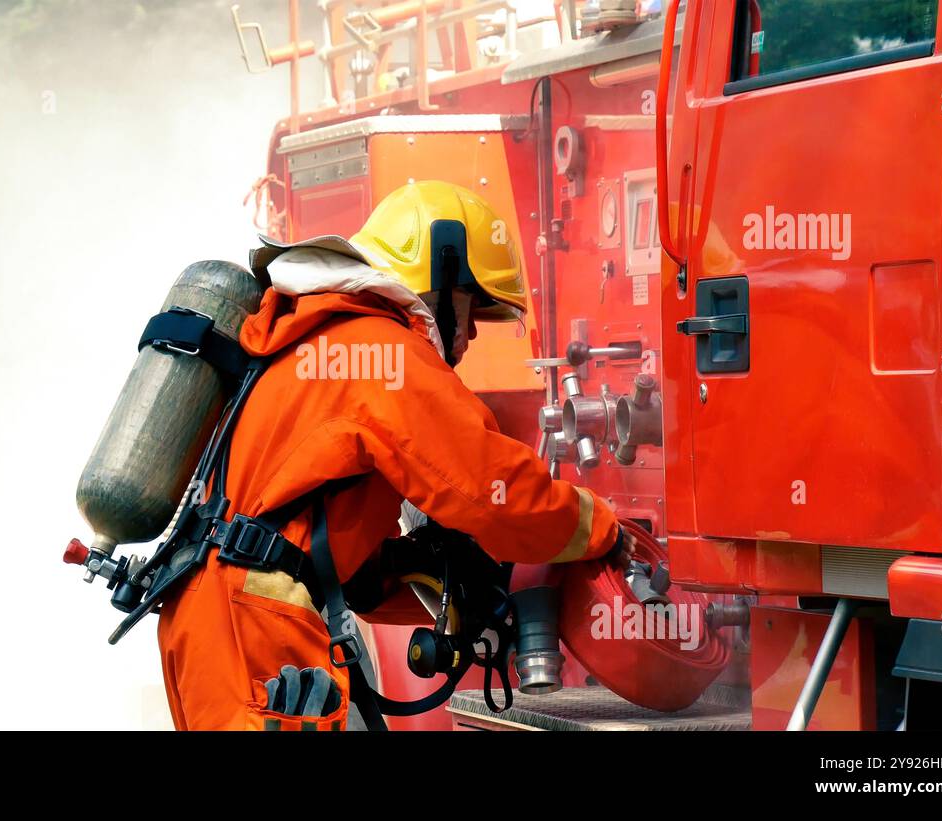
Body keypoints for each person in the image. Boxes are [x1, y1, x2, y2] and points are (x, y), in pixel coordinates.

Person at [156, 180, 635, 730]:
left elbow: (333, 559)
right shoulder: (382, 351)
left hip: (220, 615)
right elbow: (488, 488)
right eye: (471, 304)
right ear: (438, 279)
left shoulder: (327, 336)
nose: (474, 329)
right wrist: (600, 527)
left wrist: (438, 575)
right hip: (257, 628)